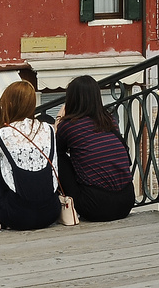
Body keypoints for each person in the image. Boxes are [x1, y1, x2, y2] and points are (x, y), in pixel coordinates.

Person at [0, 81, 61, 230]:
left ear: (9, 105)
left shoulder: (2, 135)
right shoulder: (48, 129)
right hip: (50, 212)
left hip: (18, 216)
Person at [54, 76, 134, 222]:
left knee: (59, 156)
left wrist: (59, 121)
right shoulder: (109, 120)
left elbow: (55, 151)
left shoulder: (69, 126)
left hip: (96, 206)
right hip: (126, 201)